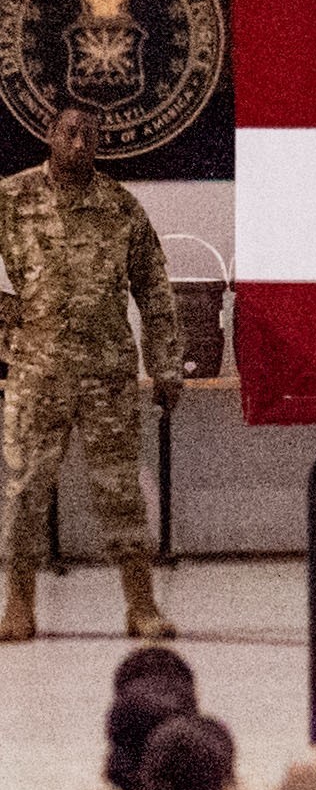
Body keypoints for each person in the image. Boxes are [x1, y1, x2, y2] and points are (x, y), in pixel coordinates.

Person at [0, 96, 180, 646]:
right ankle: (18, 607)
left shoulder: (121, 207)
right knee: (25, 492)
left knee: (121, 490)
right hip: (37, 372)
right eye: (70, 132)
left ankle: (141, 606)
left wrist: (166, 365)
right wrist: (8, 314)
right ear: (50, 134)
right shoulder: (13, 197)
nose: (80, 143)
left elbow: (154, 289)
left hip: (107, 376)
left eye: (90, 135)